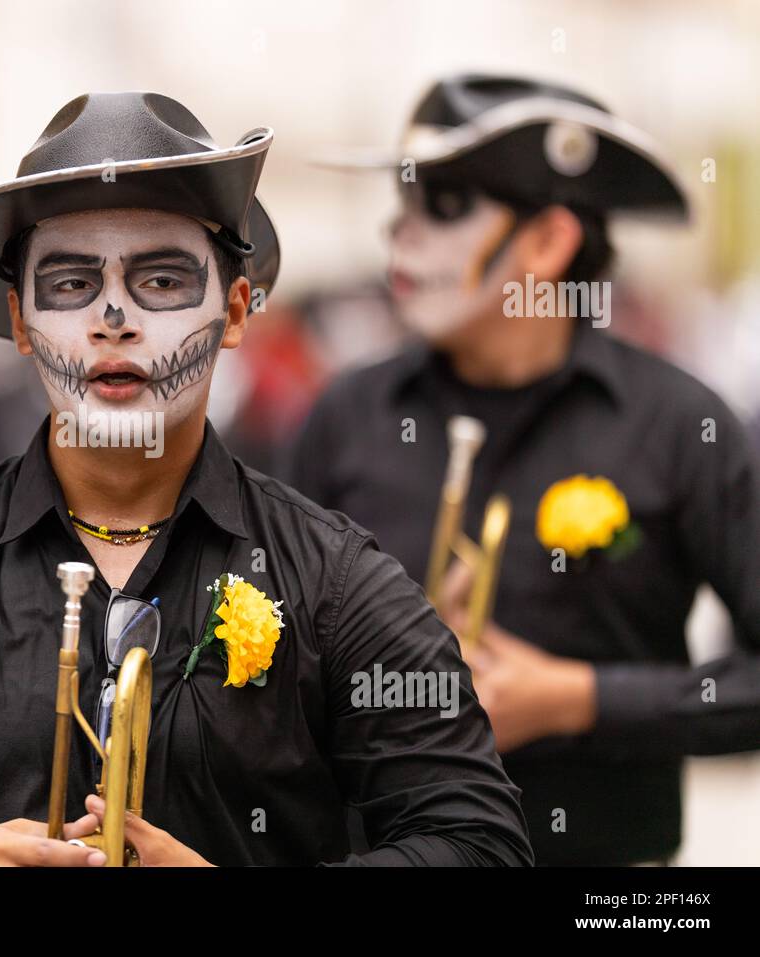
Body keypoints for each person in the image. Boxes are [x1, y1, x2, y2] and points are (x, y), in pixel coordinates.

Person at [0, 91, 532, 867]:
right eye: (70, 283)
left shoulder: (334, 580)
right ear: (21, 321)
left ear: (236, 311)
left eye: (162, 279)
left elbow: (482, 843)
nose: (114, 317)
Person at [288, 74, 760, 865]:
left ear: (547, 243)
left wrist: (575, 699)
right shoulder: (344, 416)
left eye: (443, 209)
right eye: (403, 206)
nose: (399, 235)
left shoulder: (684, 425)